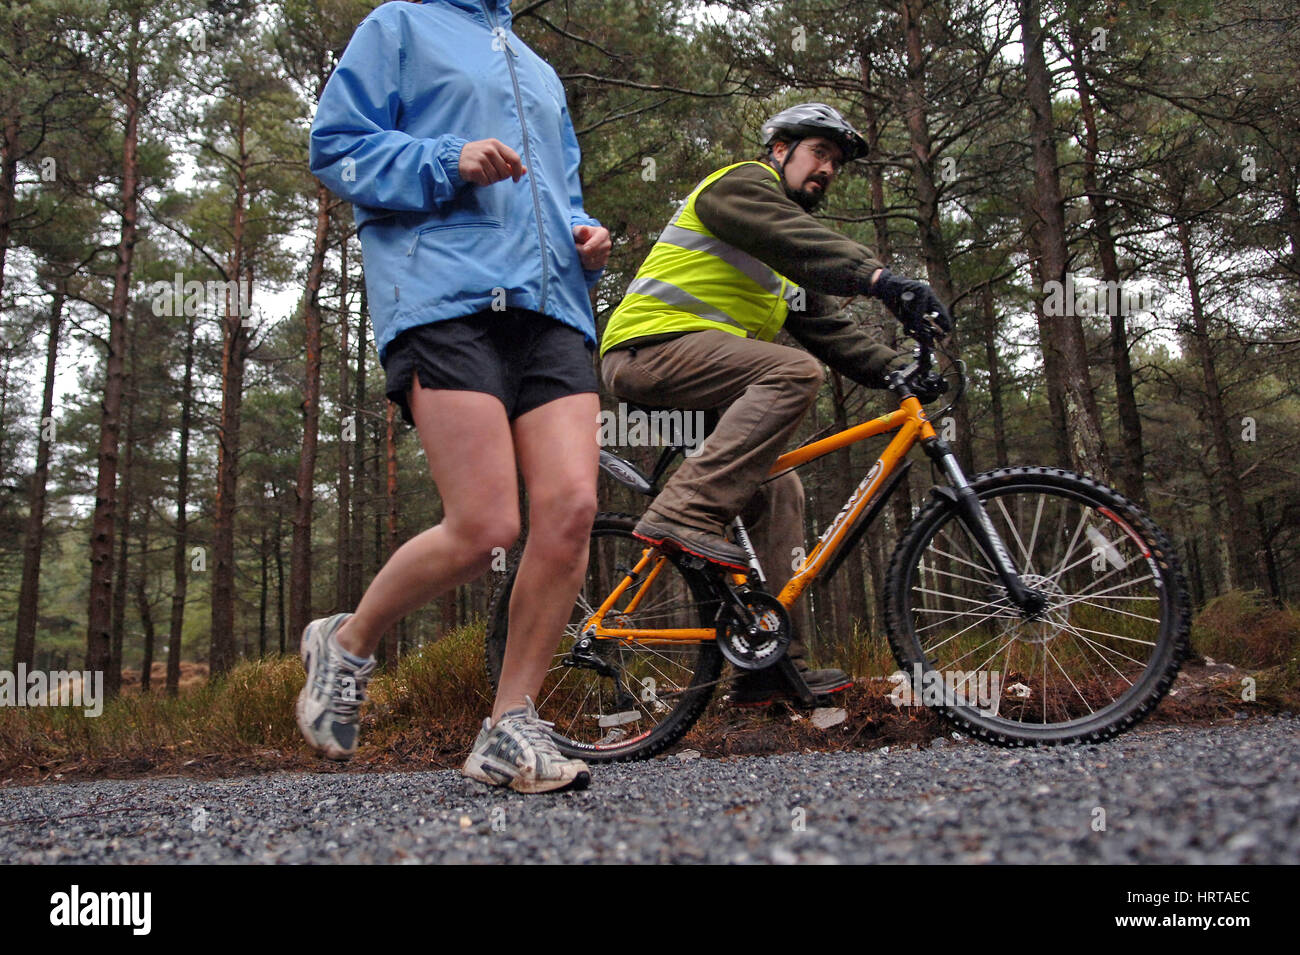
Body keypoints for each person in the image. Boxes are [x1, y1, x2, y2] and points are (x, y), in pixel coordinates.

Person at [299, 0, 611, 794]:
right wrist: (448, 159)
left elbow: (560, 187)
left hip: (555, 310)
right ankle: (350, 639)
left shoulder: (538, 68)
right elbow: (337, 149)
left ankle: (511, 724)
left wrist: (585, 232)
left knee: (572, 508)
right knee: (485, 526)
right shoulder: (397, 25)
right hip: (445, 292)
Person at [599, 103, 951, 706]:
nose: (828, 169)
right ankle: (683, 511)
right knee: (793, 372)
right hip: (647, 351)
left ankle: (767, 668)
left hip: (697, 374)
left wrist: (900, 371)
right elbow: (794, 236)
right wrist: (881, 279)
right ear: (781, 150)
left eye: (836, 163)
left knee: (779, 488)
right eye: (819, 153)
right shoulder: (741, 188)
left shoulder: (784, 265)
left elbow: (830, 330)